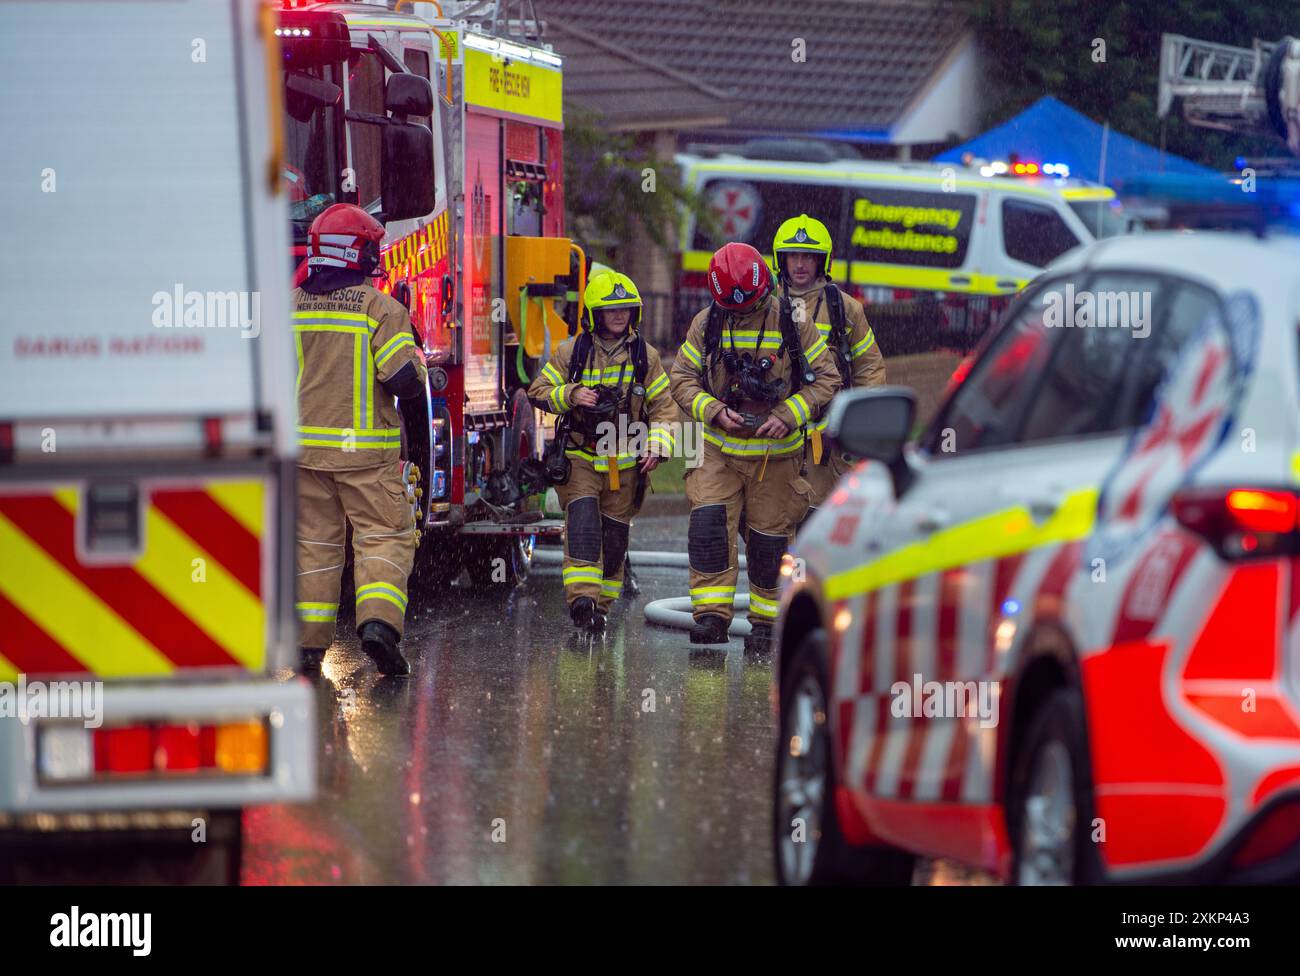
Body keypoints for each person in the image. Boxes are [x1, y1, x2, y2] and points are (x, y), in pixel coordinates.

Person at [669, 242, 840, 652]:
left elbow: (826, 378)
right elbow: (681, 378)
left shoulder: (793, 320)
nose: (746, 311)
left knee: (768, 542)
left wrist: (788, 413)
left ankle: (766, 622)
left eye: (754, 303)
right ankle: (711, 617)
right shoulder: (707, 322)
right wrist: (711, 409)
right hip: (716, 448)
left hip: (773, 456)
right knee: (709, 527)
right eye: (736, 307)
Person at [293, 204, 428, 676]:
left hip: (304, 457)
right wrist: (418, 357)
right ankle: (378, 628)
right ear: (359, 253)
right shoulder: (380, 308)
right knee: (384, 537)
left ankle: (308, 646)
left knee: (314, 545)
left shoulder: (289, 306)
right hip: (365, 460)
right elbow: (403, 380)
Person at [529, 271, 678, 633]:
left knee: (614, 542)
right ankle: (581, 600)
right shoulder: (573, 352)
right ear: (594, 313)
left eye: (625, 308)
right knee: (582, 526)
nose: (619, 315)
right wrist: (571, 394)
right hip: (581, 457)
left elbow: (665, 408)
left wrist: (659, 444)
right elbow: (538, 389)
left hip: (625, 464)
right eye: (611, 309)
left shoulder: (646, 357)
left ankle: (601, 607)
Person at [772, 213, 885, 515]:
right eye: (792, 255)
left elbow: (869, 369)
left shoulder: (844, 308)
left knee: (816, 514)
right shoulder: (765, 304)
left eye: (808, 257)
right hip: (773, 430)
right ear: (780, 259)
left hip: (824, 436)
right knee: (768, 518)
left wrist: (861, 426)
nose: (799, 264)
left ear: (822, 261)